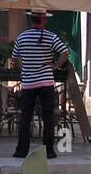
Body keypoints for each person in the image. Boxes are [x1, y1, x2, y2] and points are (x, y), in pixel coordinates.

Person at [10, 10, 68, 159]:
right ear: (44, 20)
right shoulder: (51, 36)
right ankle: (49, 150)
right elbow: (65, 52)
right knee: (48, 117)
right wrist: (56, 65)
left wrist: (24, 67)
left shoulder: (22, 37)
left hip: (29, 82)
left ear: (32, 20)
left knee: (26, 117)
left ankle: (21, 150)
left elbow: (15, 57)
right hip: (46, 81)